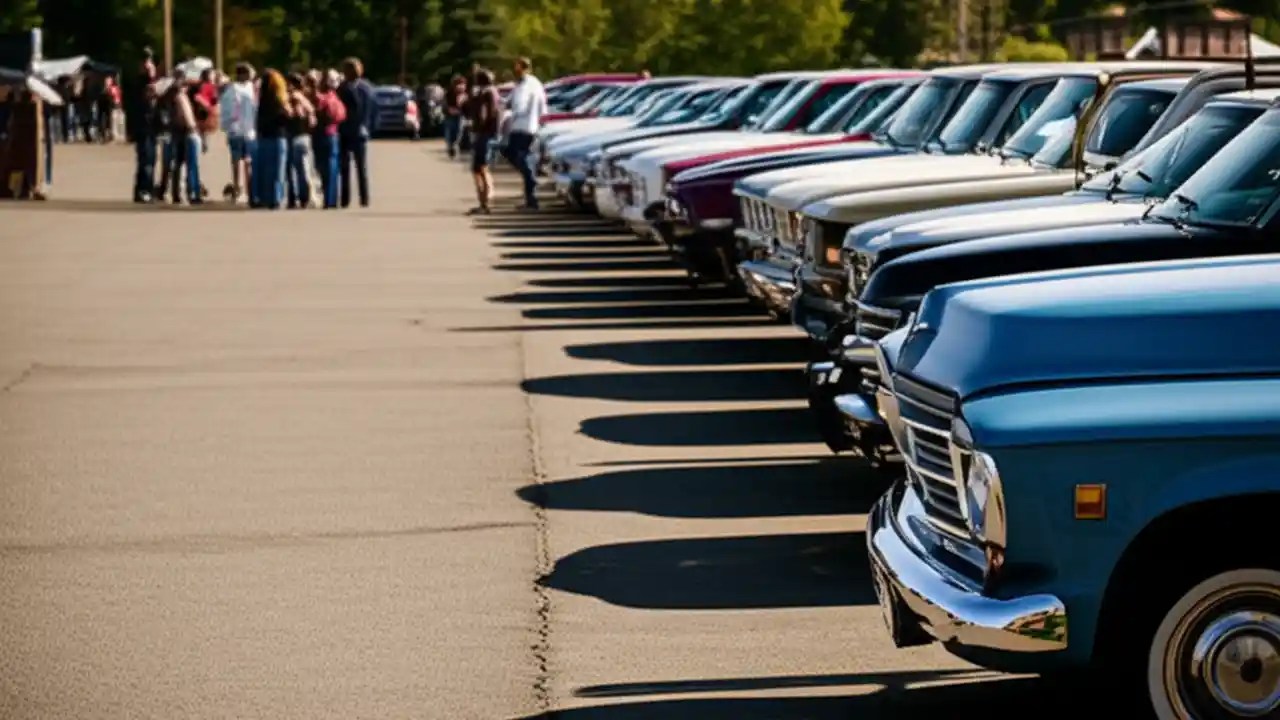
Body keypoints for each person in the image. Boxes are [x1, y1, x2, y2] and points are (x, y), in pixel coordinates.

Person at [502, 57, 546, 210]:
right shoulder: (533, 83)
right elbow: (542, 105)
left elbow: (519, 105)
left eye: (517, 67)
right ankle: (530, 195)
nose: (515, 70)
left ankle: (531, 180)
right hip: (531, 126)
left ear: (523, 68)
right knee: (523, 157)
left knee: (515, 154)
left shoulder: (526, 85)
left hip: (522, 126)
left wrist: (510, 114)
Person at [336, 57, 375, 208]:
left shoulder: (348, 88)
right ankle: (356, 198)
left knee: (353, 166)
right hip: (353, 130)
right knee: (354, 167)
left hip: (352, 130)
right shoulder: (365, 87)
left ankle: (354, 198)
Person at [220, 62, 257, 204]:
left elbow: (227, 109)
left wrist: (227, 125)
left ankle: (240, 189)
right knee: (244, 161)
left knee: (239, 161)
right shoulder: (247, 89)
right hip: (245, 130)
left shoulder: (233, 89)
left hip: (239, 130)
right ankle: (245, 189)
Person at [464, 69, 500, 215]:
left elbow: (484, 113)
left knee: (480, 168)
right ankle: (484, 200)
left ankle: (485, 201)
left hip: (484, 134)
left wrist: (477, 126)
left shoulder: (486, 94)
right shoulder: (491, 92)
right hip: (487, 134)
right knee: (480, 167)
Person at [254, 69, 291, 209]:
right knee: (278, 170)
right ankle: (276, 198)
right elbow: (286, 118)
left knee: (266, 169)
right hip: (278, 137)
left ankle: (266, 197)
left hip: (264, 137)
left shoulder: (262, 100)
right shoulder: (279, 100)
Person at [163, 70, 202, 204]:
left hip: (176, 131)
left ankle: (176, 192)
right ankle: (192, 192)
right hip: (185, 132)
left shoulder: (170, 95)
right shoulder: (180, 97)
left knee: (177, 163)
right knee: (191, 164)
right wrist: (193, 129)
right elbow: (185, 116)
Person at [311, 69, 346, 209]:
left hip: (321, 135)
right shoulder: (335, 97)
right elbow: (342, 115)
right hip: (333, 133)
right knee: (332, 168)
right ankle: (331, 199)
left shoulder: (320, 98)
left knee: (322, 167)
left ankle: (327, 197)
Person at [129, 51, 158, 202]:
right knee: (146, 159)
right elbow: (141, 104)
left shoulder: (149, 83)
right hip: (143, 126)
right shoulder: (140, 84)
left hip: (149, 126)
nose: (149, 66)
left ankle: (146, 188)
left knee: (150, 159)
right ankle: (144, 189)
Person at [284, 72, 316, 209]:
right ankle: (305, 197)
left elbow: (292, 113)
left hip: (292, 135)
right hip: (304, 136)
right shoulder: (305, 98)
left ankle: (293, 197)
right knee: (304, 169)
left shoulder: (291, 97)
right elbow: (311, 116)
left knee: (291, 170)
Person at [443, 74, 466, 159]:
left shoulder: (465, 94)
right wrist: (449, 109)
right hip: (450, 115)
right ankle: (450, 147)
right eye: (458, 84)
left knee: (459, 132)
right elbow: (444, 104)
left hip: (460, 115)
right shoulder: (449, 93)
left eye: (462, 83)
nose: (460, 86)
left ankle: (454, 146)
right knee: (450, 131)